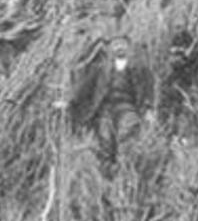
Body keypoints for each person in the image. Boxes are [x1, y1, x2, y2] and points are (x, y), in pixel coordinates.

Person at [59, 35, 155, 178]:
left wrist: (148, 109)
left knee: (126, 138)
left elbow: (148, 89)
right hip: (106, 109)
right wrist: (69, 101)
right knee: (105, 141)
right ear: (110, 49)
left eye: (122, 44)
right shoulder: (101, 69)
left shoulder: (139, 68)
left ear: (128, 47)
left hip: (127, 107)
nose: (119, 47)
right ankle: (108, 177)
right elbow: (84, 88)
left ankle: (125, 176)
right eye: (115, 45)